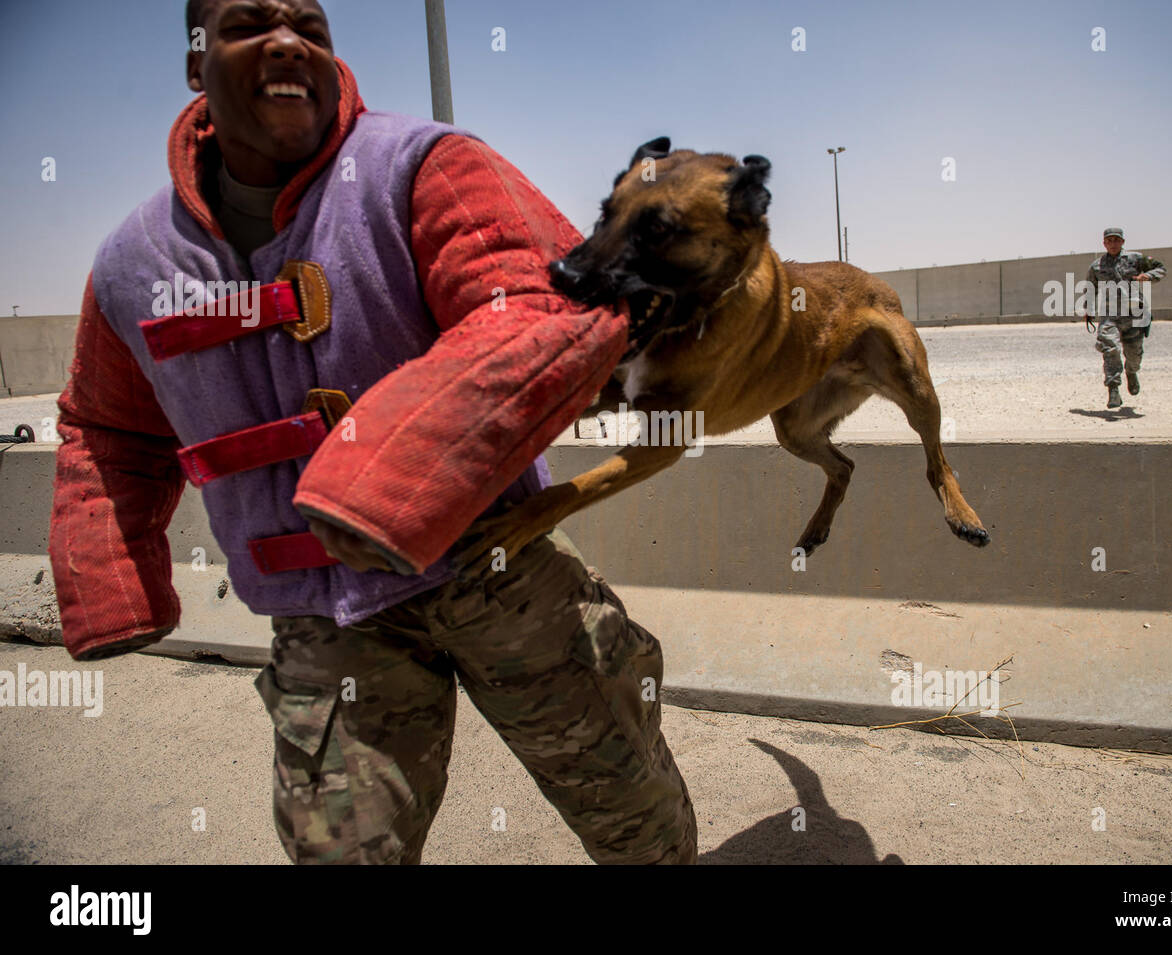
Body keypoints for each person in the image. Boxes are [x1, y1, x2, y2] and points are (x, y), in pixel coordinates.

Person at [47, 0, 696, 865]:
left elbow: (546, 305)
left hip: (493, 567)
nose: (287, 40)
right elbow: (105, 427)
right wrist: (109, 580)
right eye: (249, 23)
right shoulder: (134, 265)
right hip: (323, 621)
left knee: (635, 816)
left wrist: (378, 481)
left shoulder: (420, 165)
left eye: (308, 26)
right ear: (196, 61)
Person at [1083, 227, 1166, 408]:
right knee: (1109, 348)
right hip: (1109, 314)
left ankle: (1131, 372)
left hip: (1133, 313)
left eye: (1116, 240)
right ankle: (1113, 389)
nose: (1113, 243)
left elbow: (1161, 268)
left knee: (1134, 353)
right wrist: (1088, 310)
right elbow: (1090, 288)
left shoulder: (1136, 259)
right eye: (1109, 240)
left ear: (1122, 242)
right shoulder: (1096, 266)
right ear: (1104, 243)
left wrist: (1148, 275)